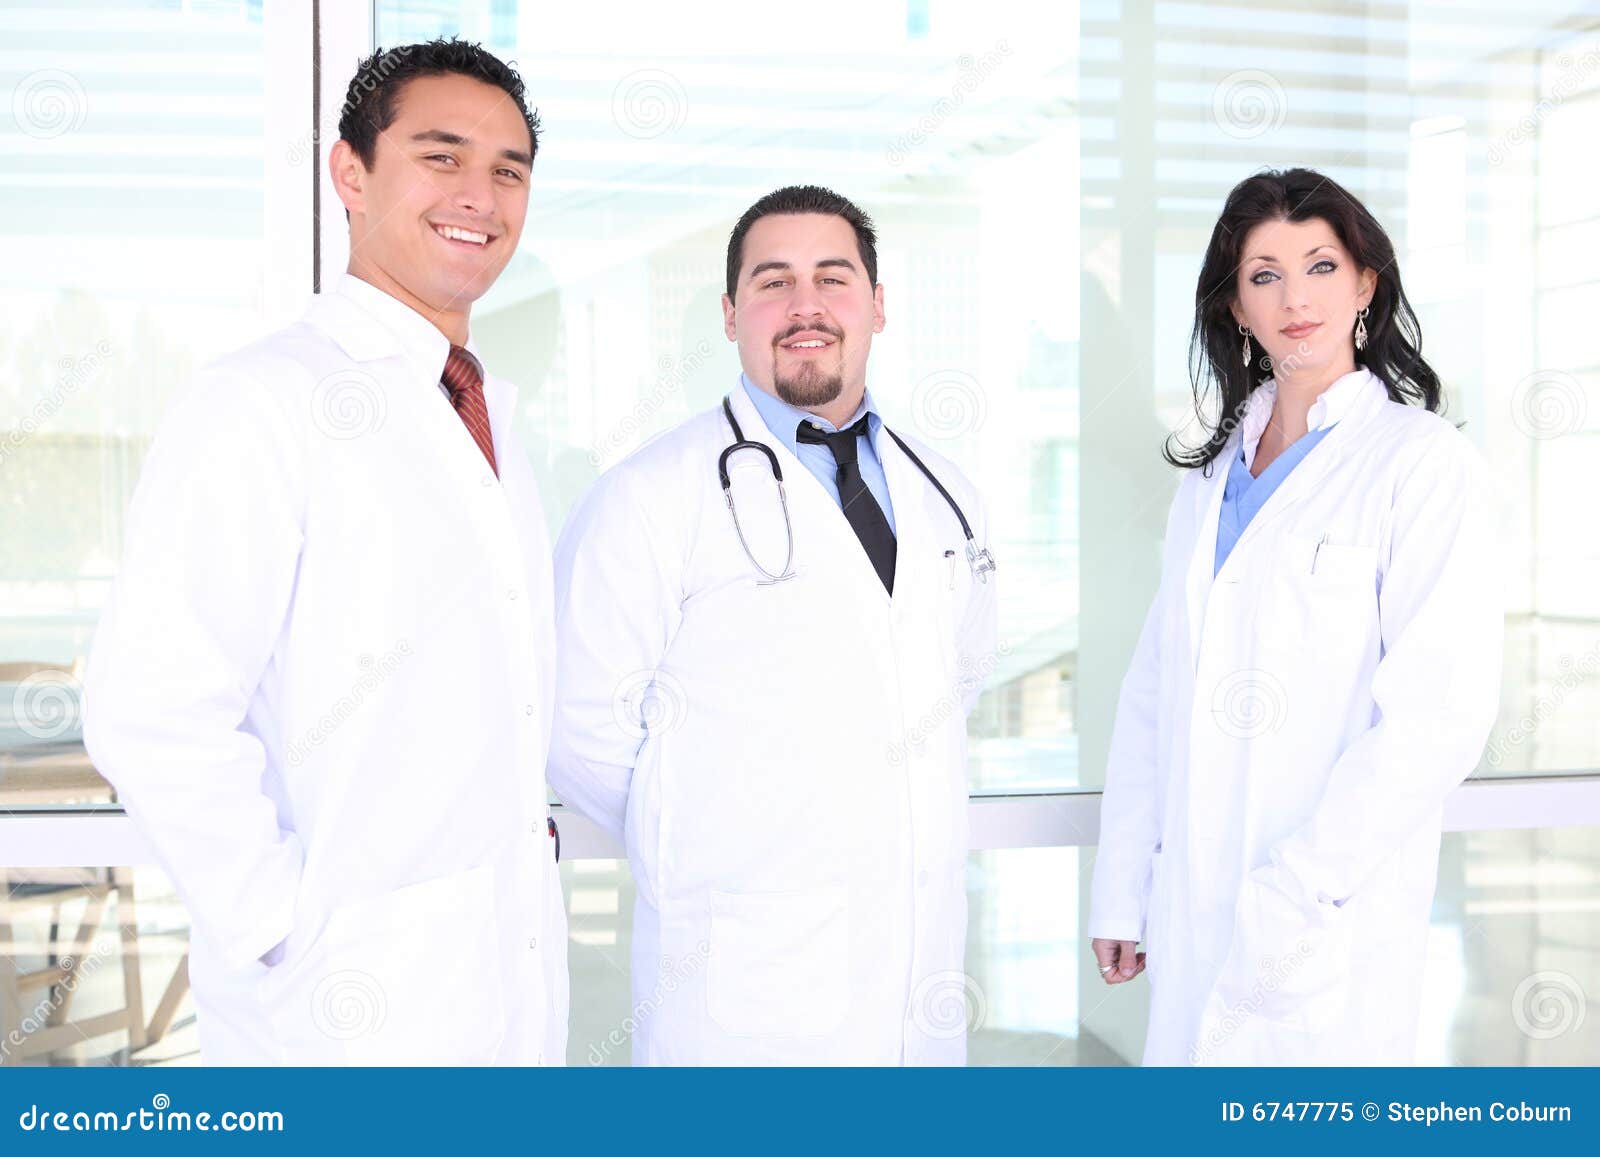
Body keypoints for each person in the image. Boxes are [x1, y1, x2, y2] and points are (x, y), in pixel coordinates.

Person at [83, 39, 568, 1065]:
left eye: (508, 169)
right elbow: (149, 706)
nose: (479, 194)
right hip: (335, 1010)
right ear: (351, 172)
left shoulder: (480, 416)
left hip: (494, 992)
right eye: (441, 156)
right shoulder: (260, 400)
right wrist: (278, 921)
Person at [550, 186, 998, 1065]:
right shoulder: (648, 496)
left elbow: (958, 673)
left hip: (917, 980)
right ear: (729, 313)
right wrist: (716, 839)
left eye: (834, 278)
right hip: (738, 985)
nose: (807, 306)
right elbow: (580, 728)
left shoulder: (945, 492)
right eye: (773, 281)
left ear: (876, 305)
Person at [1088, 167, 1503, 1065]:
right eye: (1264, 274)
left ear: (1366, 283)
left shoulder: (1420, 464)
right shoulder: (1209, 477)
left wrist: (1300, 890)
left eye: (1320, 265)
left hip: (1322, 917)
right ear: (1236, 307)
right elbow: (1156, 690)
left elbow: (1439, 715)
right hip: (1193, 904)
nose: (1295, 297)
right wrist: (1124, 886)